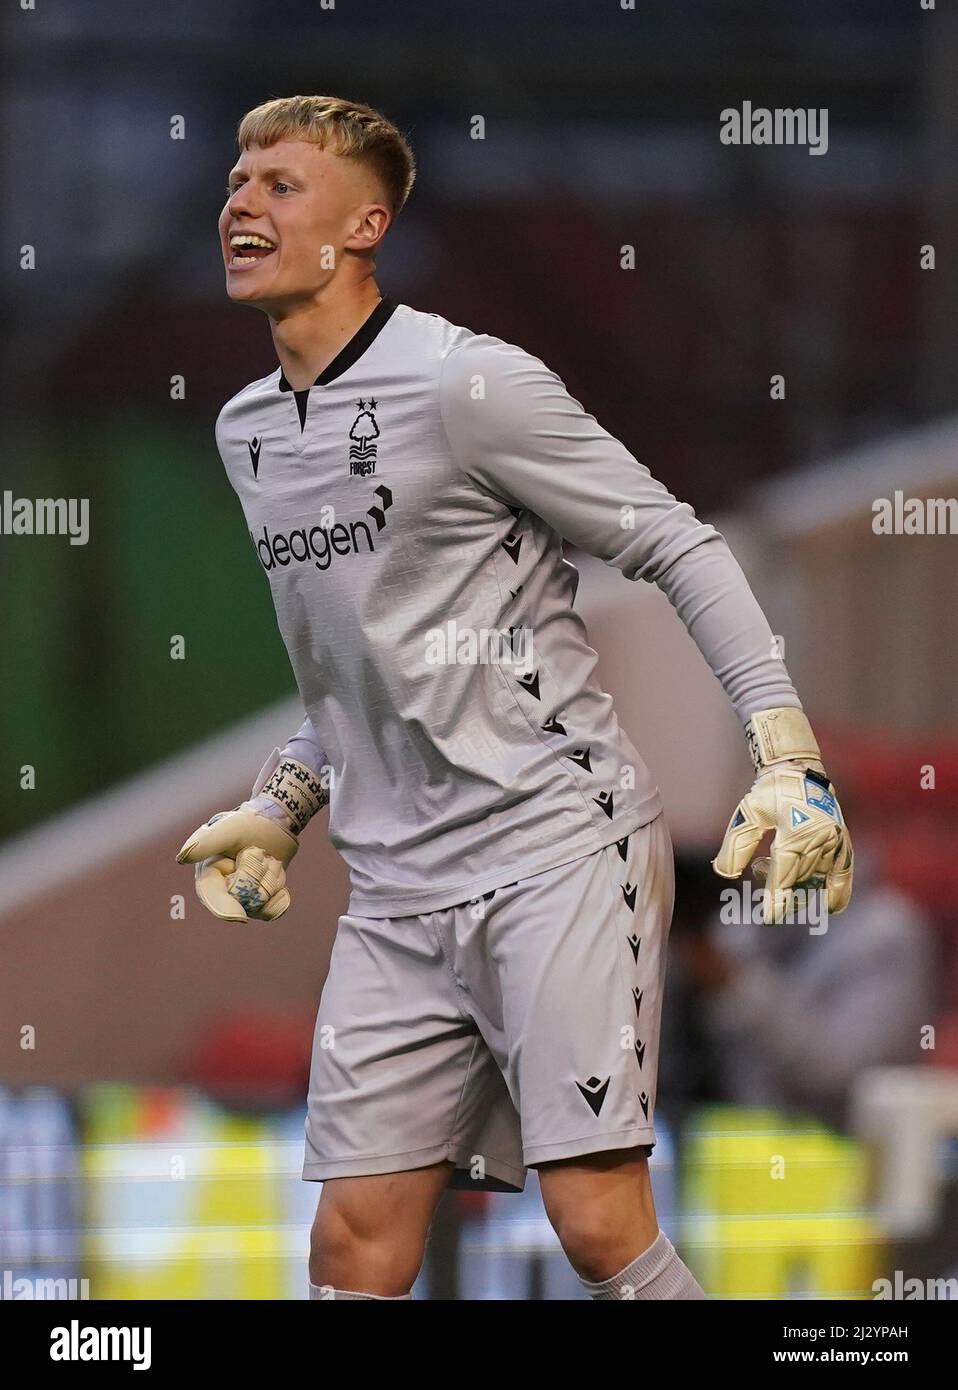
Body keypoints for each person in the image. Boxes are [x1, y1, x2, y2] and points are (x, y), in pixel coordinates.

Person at [176, 94, 853, 1302]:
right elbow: (357, 664)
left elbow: (676, 543)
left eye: (279, 183)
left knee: (596, 1222)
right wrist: (285, 803)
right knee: (352, 1246)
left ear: (365, 223)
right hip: (394, 884)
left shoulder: (467, 385)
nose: (239, 200)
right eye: (236, 177)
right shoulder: (244, 434)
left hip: (552, 846)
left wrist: (785, 753)